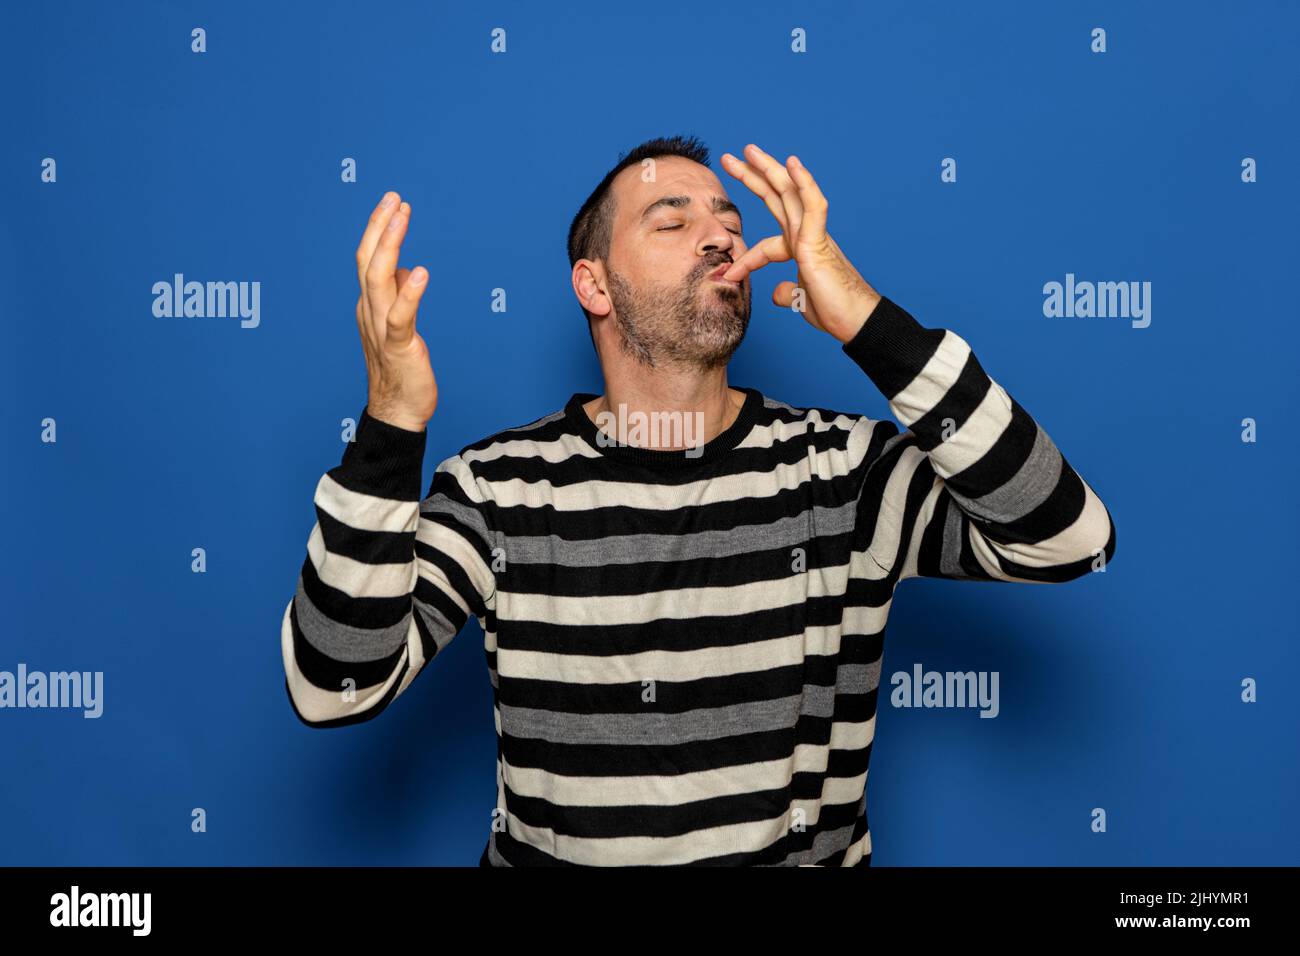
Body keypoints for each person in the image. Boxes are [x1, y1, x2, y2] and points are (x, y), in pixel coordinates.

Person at [280, 134, 1117, 867]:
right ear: (595, 285)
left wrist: (867, 320)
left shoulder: (842, 472)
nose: (721, 236)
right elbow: (336, 684)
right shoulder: (499, 489)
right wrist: (391, 420)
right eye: (673, 222)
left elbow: (1068, 537)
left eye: (729, 220)